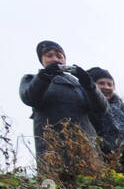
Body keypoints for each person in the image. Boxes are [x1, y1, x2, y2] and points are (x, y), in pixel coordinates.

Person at [19, 40, 108, 171]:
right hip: (53, 150)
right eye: (49, 55)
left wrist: (89, 85)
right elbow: (29, 98)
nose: (55, 59)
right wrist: (45, 76)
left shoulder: (79, 84)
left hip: (87, 149)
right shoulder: (32, 79)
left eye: (59, 56)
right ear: (41, 60)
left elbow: (102, 108)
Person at [85, 68, 124, 170]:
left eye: (110, 84)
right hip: (95, 164)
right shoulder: (86, 107)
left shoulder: (123, 109)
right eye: (101, 83)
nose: (106, 87)